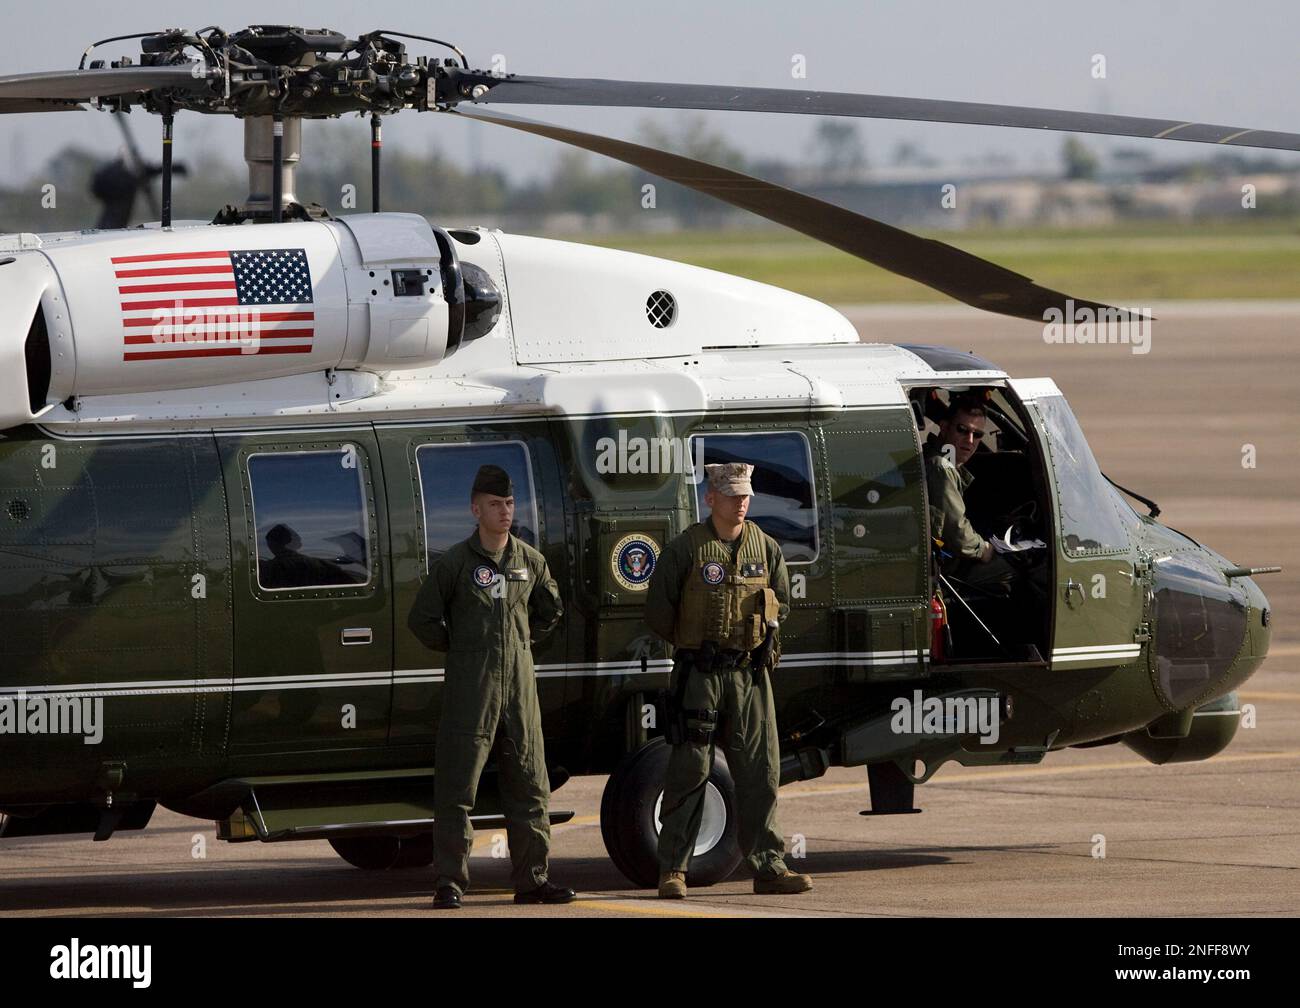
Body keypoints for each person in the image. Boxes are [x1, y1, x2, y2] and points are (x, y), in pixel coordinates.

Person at [644, 462, 813, 899]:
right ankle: (674, 869)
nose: (742, 503)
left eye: (746, 495)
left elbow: (781, 605)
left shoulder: (766, 547)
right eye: (733, 495)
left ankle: (769, 866)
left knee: (762, 770)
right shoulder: (686, 549)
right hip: (700, 675)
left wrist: (760, 649)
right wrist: (692, 646)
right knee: (689, 770)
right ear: (710, 498)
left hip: (748, 675)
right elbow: (659, 611)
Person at [408, 464, 573, 909]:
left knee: (531, 787)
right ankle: (450, 882)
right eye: (496, 504)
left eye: (510, 503)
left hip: (519, 689)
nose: (505, 511)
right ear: (475, 509)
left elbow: (551, 611)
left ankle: (533, 881)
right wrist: (463, 649)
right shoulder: (455, 565)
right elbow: (421, 619)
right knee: (458, 789)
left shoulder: (530, 561)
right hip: (471, 690)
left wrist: (521, 645)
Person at [923, 395, 1014, 592]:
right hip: (942, 568)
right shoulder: (941, 467)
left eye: (978, 434)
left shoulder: (941, 459)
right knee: (1012, 569)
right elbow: (957, 533)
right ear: (944, 427)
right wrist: (985, 550)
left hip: (939, 560)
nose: (970, 440)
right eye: (962, 430)